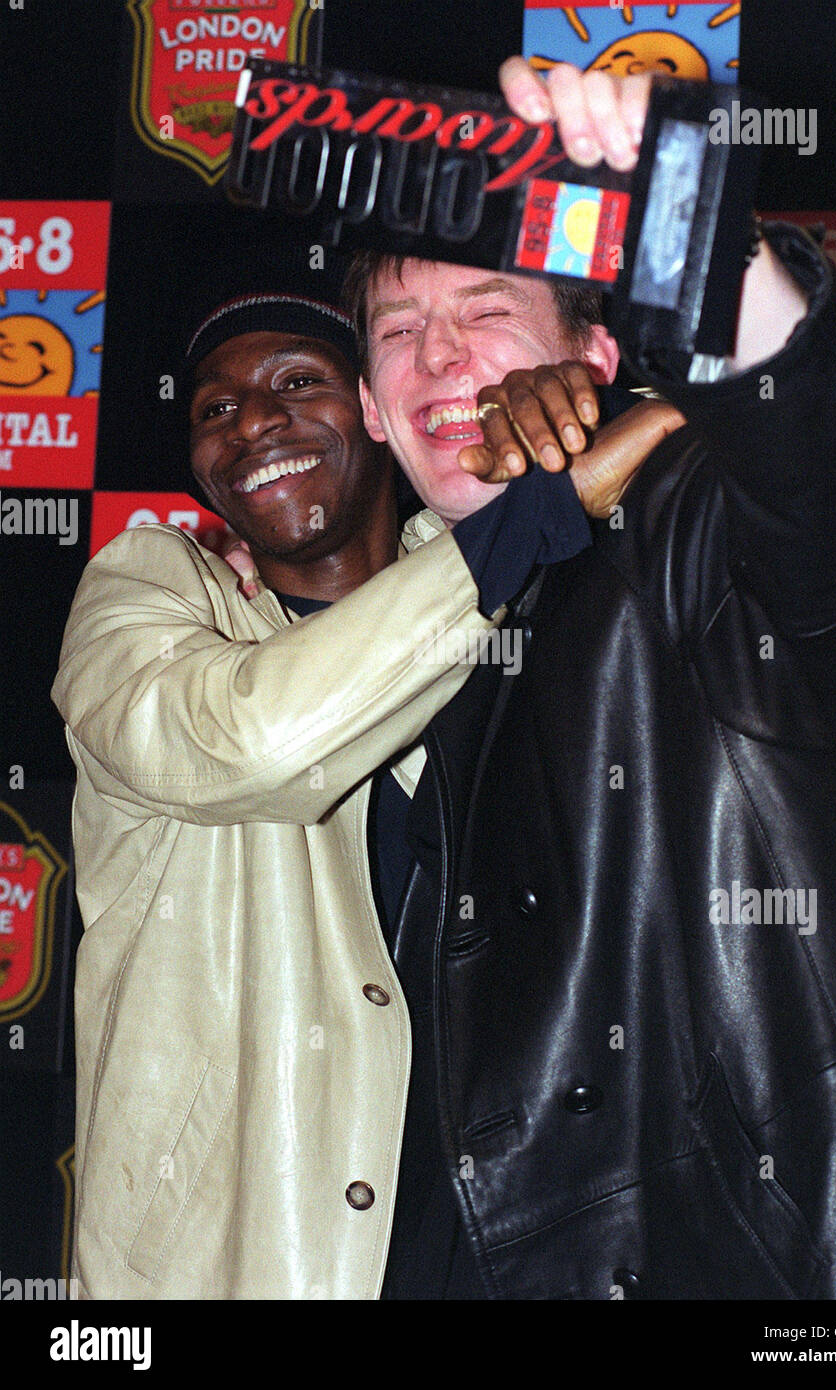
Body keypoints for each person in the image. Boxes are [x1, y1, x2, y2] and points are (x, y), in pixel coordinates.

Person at [331, 60, 836, 1298]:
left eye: (487, 307)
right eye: (399, 331)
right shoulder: (351, 646)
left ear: (593, 350)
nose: (441, 355)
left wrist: (706, 263)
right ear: (374, 412)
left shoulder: (673, 525)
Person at [51, 287, 663, 1298]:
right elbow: (251, 737)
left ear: (379, 414)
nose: (250, 420)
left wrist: (587, 412)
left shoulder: (522, 592)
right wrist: (537, 513)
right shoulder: (149, 588)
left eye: (297, 382)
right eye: (214, 410)